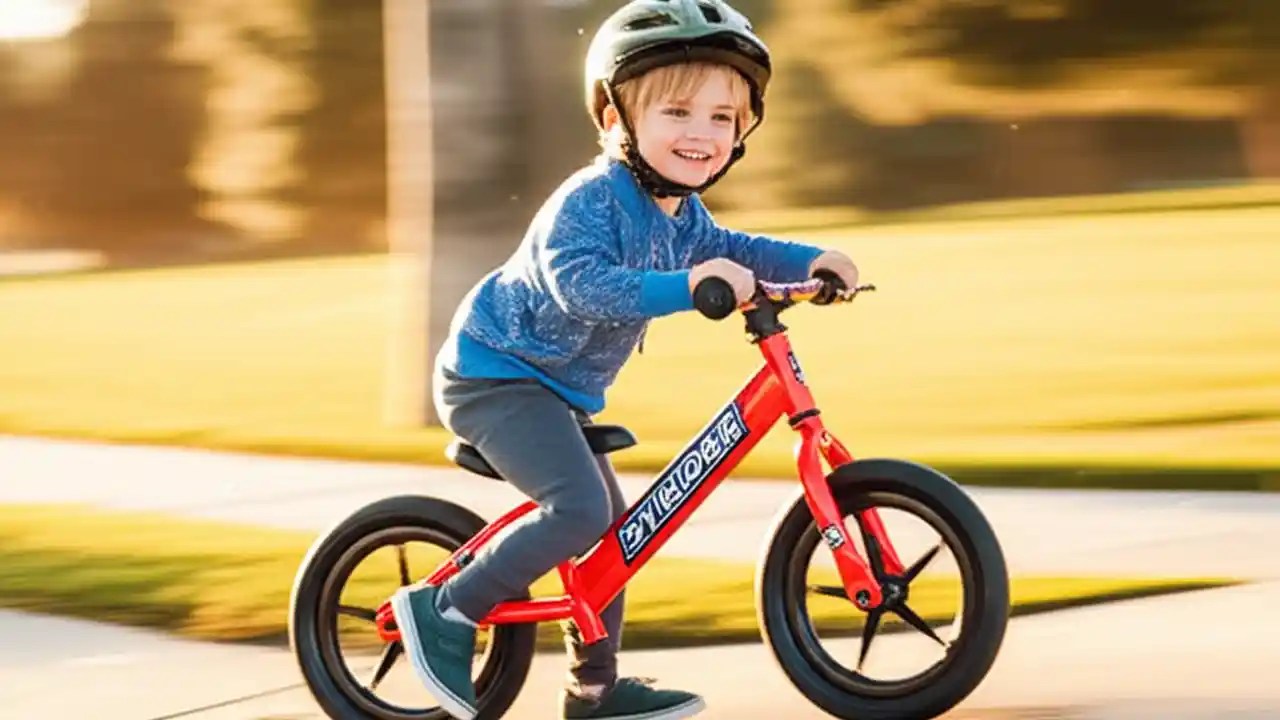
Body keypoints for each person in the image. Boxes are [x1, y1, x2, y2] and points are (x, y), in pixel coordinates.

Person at [390, 1, 858, 718]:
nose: (702, 134)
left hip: (562, 392)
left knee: (610, 535)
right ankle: (447, 611)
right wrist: (686, 287)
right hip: (496, 376)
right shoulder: (588, 200)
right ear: (615, 121)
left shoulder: (683, 214)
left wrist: (814, 260)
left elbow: (737, 251)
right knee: (578, 508)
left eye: (722, 118)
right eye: (677, 112)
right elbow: (580, 287)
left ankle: (594, 691)